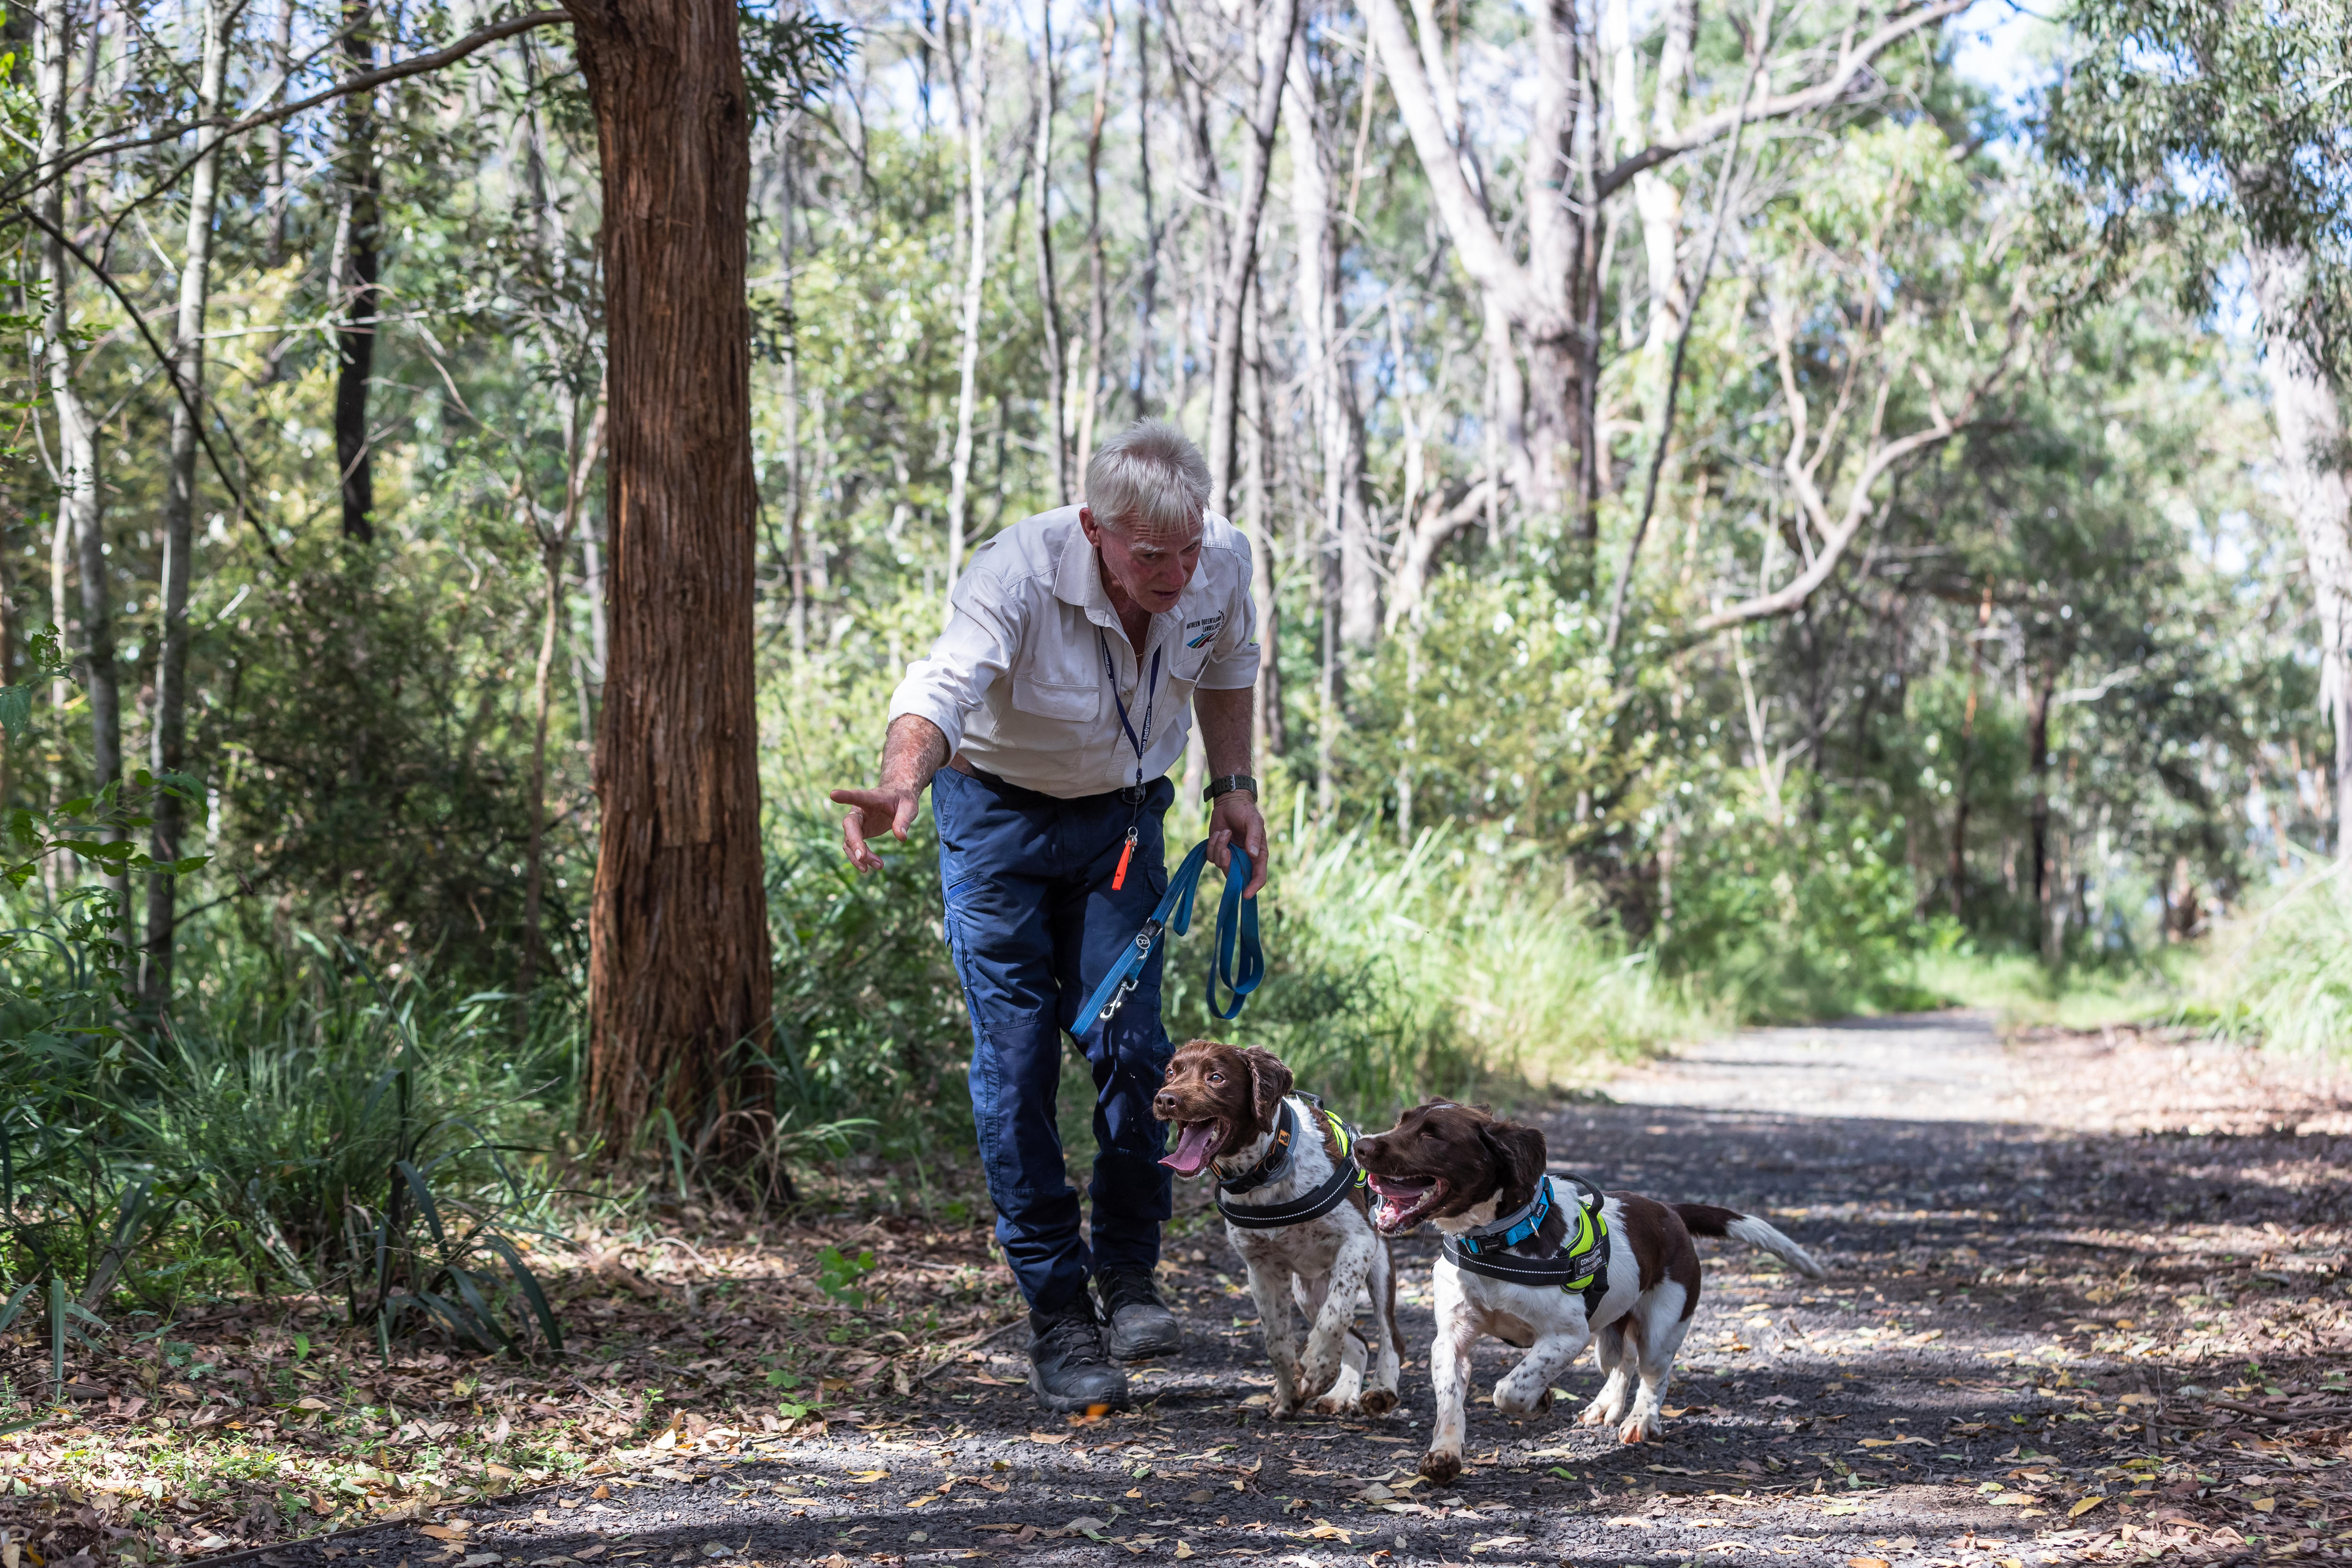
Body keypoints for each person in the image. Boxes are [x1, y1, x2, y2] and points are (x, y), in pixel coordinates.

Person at [831, 421, 1269, 1412]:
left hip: (1122, 823)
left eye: (1188, 548)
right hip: (998, 822)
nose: (1175, 573)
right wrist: (901, 781)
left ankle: (1130, 1273)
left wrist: (1232, 787)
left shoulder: (1222, 559)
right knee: (1018, 1054)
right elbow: (941, 685)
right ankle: (1060, 1314)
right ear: (1094, 528)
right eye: (1150, 555)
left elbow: (1228, 665)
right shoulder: (1019, 572)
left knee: (1135, 1045)